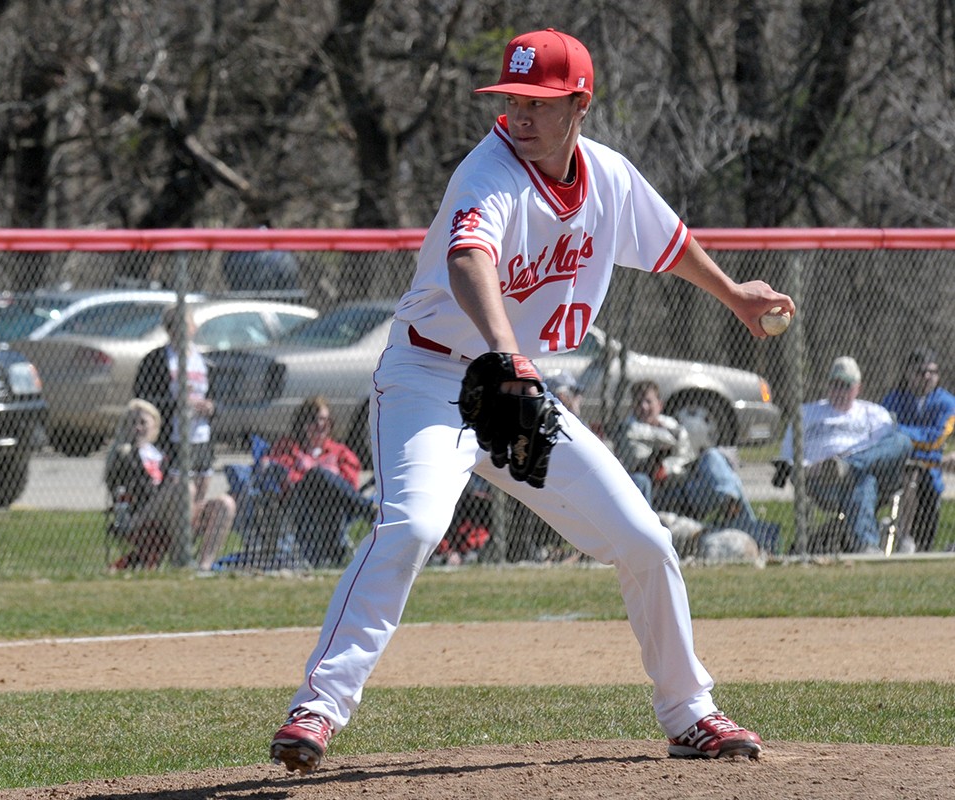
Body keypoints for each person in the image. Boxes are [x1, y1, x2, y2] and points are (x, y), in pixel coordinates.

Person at [269, 28, 787, 774]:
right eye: (513, 99)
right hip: (429, 378)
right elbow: (468, 258)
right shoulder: (489, 172)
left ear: (582, 102)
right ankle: (318, 707)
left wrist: (736, 295)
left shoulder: (607, 177)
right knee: (412, 526)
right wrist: (510, 354)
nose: (522, 114)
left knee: (645, 541)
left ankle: (690, 713)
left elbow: (669, 243)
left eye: (541, 102)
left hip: (512, 391)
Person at [773, 356, 913, 553]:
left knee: (902, 441)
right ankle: (867, 547)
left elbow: (890, 449)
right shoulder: (806, 413)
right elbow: (787, 457)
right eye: (835, 384)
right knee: (863, 481)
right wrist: (807, 469)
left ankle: (847, 465)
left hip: (870, 475)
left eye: (846, 385)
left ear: (858, 388)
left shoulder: (873, 413)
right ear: (828, 385)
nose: (839, 390)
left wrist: (847, 465)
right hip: (823, 481)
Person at [614, 380, 762, 537]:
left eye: (648, 402)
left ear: (660, 404)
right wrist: (666, 450)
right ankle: (744, 520)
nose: (643, 407)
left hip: (687, 489)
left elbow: (687, 457)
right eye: (638, 402)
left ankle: (734, 506)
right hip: (663, 493)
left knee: (714, 458)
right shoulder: (629, 430)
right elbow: (642, 463)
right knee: (728, 481)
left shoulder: (672, 425)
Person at [104, 398, 234, 571]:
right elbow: (125, 489)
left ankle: (204, 567)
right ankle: (180, 561)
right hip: (140, 516)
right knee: (184, 487)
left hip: (171, 513)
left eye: (143, 422)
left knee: (225, 503)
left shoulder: (160, 454)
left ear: (155, 426)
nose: (137, 427)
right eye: (132, 422)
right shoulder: (123, 454)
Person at [261, 396, 376, 568]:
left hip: (335, 505)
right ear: (302, 424)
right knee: (318, 473)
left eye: (325, 420)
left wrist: (329, 476)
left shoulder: (339, 451)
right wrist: (313, 471)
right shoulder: (289, 447)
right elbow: (281, 475)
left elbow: (351, 483)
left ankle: (333, 553)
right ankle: (369, 510)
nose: (321, 425)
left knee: (323, 477)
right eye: (314, 420)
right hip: (299, 502)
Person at [133, 304, 217, 502]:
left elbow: (217, 398)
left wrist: (211, 408)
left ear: (193, 328)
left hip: (200, 437)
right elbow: (142, 399)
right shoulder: (155, 360)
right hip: (172, 438)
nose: (177, 329)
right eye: (171, 324)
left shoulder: (204, 361)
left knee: (200, 489)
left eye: (183, 324)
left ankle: (191, 532)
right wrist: (176, 405)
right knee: (177, 492)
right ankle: (174, 532)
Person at [881, 348, 955, 552]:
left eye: (933, 371)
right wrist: (914, 437)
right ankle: (901, 537)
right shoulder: (893, 399)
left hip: (930, 473)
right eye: (921, 372)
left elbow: (935, 439)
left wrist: (901, 433)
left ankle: (907, 540)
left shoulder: (947, 403)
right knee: (909, 475)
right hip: (895, 469)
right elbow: (881, 431)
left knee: (925, 545)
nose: (927, 377)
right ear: (908, 373)